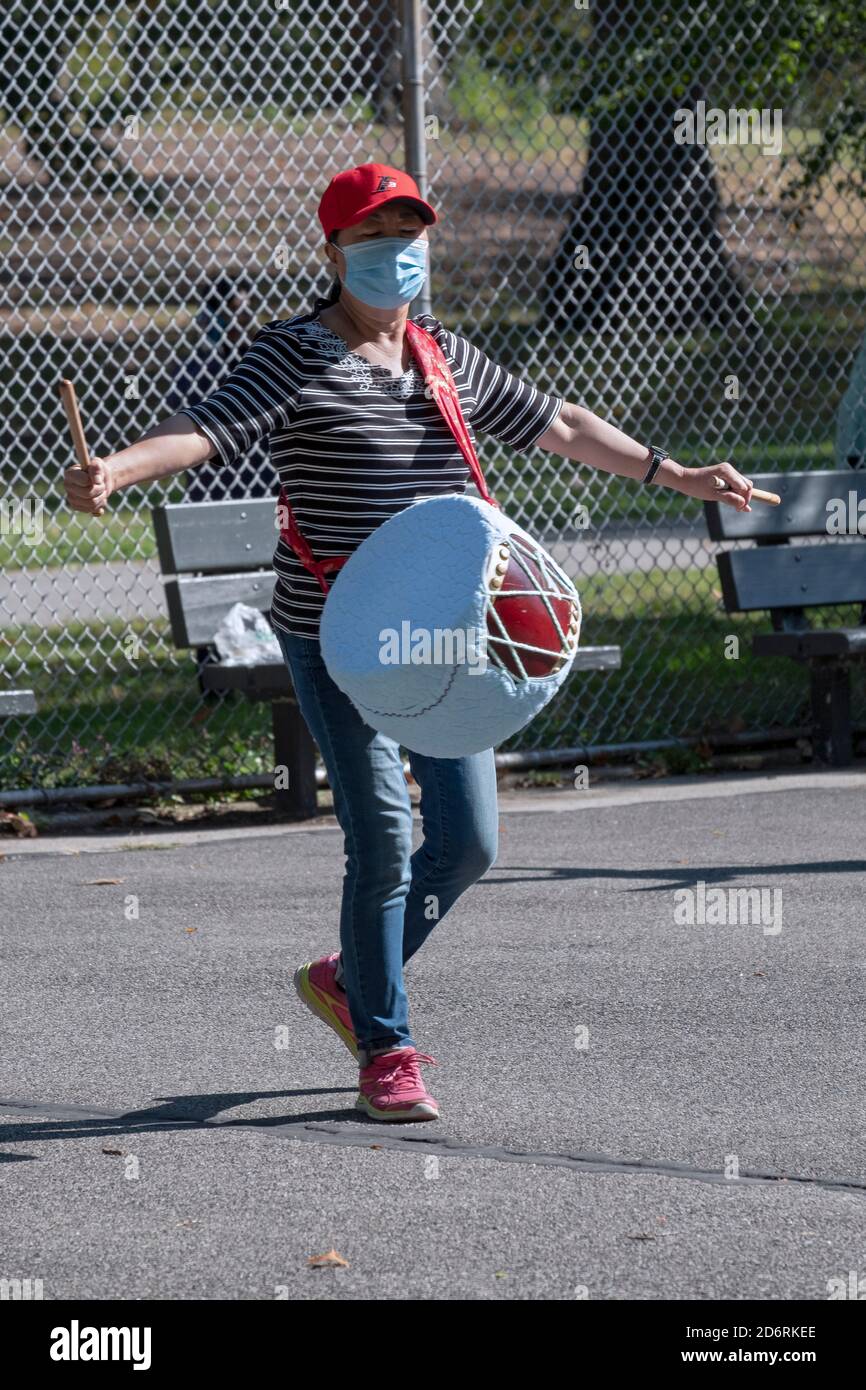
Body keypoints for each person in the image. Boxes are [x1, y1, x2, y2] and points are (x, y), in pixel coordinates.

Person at [64, 161, 753, 1124]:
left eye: (411, 231)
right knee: (383, 832)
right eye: (376, 236)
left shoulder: (443, 356)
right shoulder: (294, 355)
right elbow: (205, 429)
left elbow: (560, 422)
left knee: (468, 844)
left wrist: (678, 475)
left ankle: (350, 979)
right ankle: (387, 1045)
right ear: (335, 252)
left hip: (444, 644)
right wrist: (118, 471)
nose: (399, 252)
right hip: (335, 637)